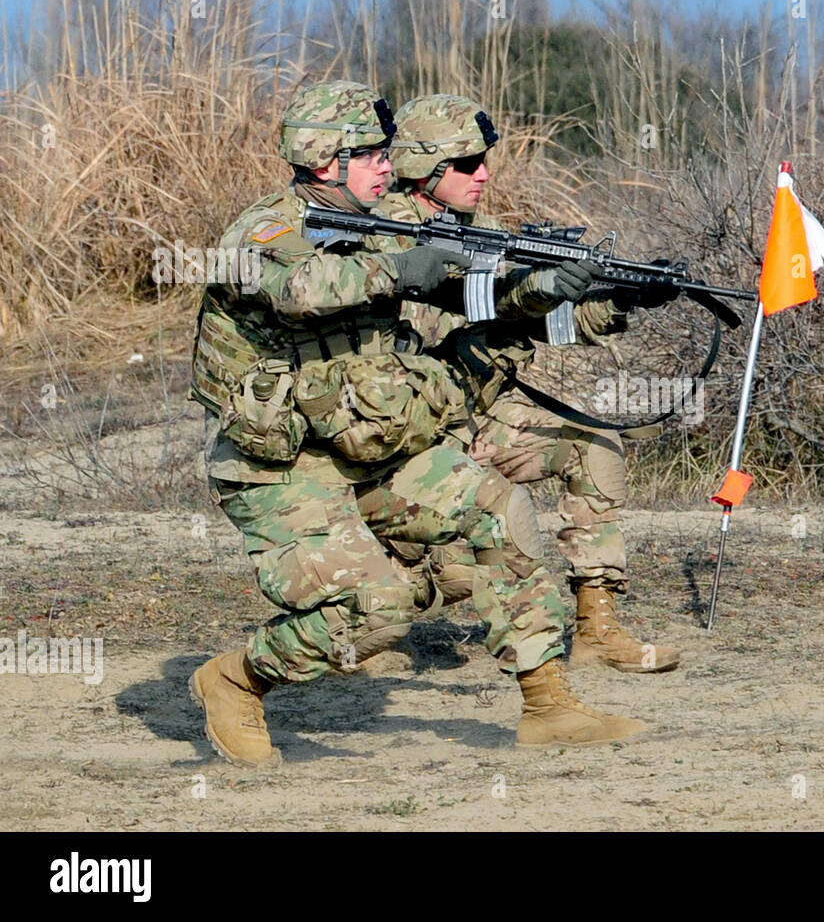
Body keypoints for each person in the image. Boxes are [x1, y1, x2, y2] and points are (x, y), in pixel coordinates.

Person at [186, 80, 646, 766]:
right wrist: (402, 267)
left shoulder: (385, 224)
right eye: (369, 153)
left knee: (498, 512)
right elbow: (301, 289)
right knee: (378, 614)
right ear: (323, 163)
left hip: (372, 445)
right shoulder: (262, 230)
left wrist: (546, 289)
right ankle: (237, 678)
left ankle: (548, 700)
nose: (385, 164)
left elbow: (470, 292)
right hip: (278, 466)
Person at [378, 94, 682, 674]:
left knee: (594, 447)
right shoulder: (378, 234)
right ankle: (370, 623)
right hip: (398, 440)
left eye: (484, 160)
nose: (484, 174)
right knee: (443, 573)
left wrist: (613, 301)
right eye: (468, 164)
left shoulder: (487, 234)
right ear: (426, 166)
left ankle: (597, 628)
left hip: (477, 420)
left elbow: (535, 318)